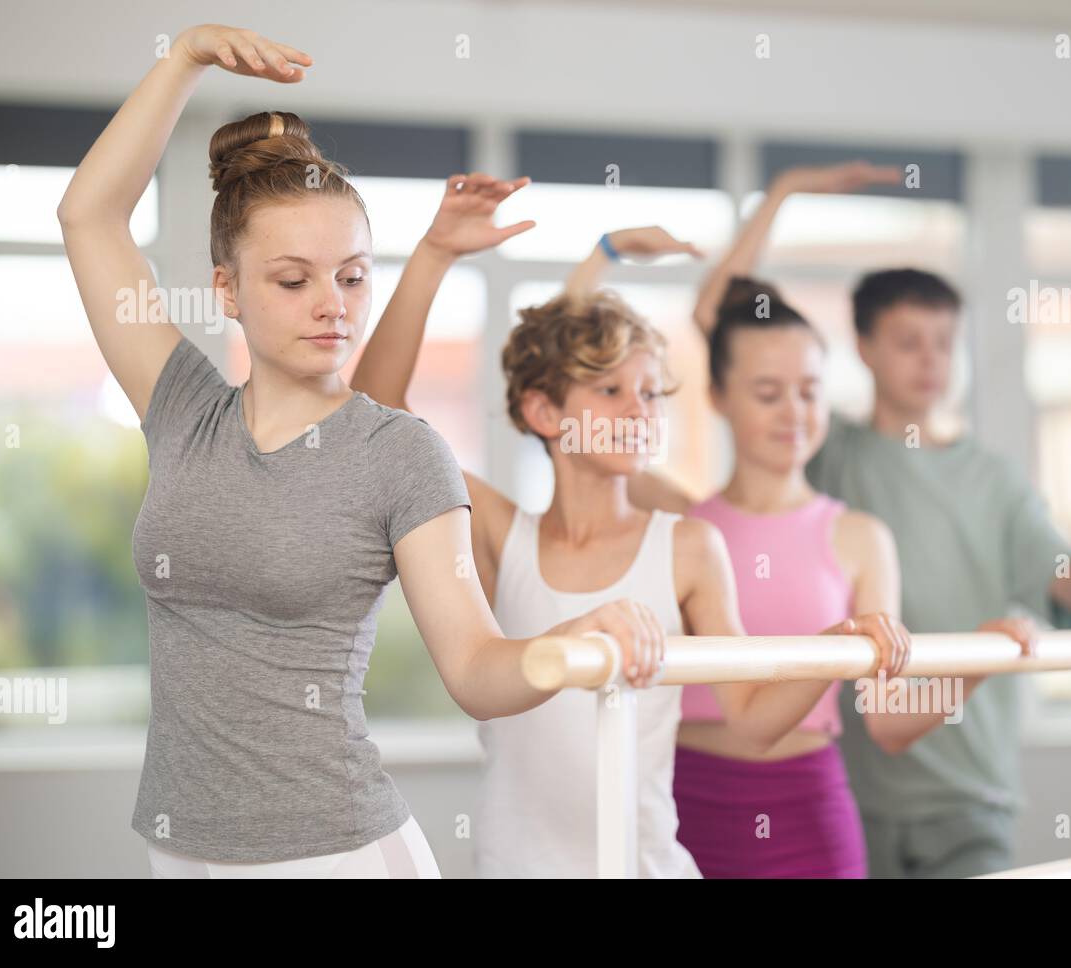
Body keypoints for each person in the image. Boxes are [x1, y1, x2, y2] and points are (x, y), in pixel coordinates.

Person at [58, 23, 660, 878]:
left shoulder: (401, 454)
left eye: (352, 275)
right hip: (176, 845)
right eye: (293, 279)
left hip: (336, 852)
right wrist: (184, 57)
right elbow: (89, 215)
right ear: (226, 289)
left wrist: (574, 638)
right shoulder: (182, 408)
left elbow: (476, 667)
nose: (332, 305)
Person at [349, 201, 913, 877]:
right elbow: (377, 412)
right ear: (543, 412)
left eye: (650, 394)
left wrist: (834, 646)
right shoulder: (501, 535)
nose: (639, 412)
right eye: (611, 389)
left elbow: (753, 717)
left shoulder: (689, 547)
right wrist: (436, 255)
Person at [684, 163, 1071, 877]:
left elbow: (1060, 563)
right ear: (863, 348)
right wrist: (782, 196)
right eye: (908, 342)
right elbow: (722, 322)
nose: (930, 361)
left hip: (967, 786)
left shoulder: (994, 479)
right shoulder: (831, 452)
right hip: (854, 789)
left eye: (944, 343)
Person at [576, 230, 1035, 877]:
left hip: (810, 809)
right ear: (717, 398)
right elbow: (559, 377)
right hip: (682, 808)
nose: (793, 412)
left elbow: (889, 724)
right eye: (768, 393)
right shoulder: (677, 520)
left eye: (811, 391)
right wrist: (604, 255)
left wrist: (983, 658)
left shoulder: (860, 537)